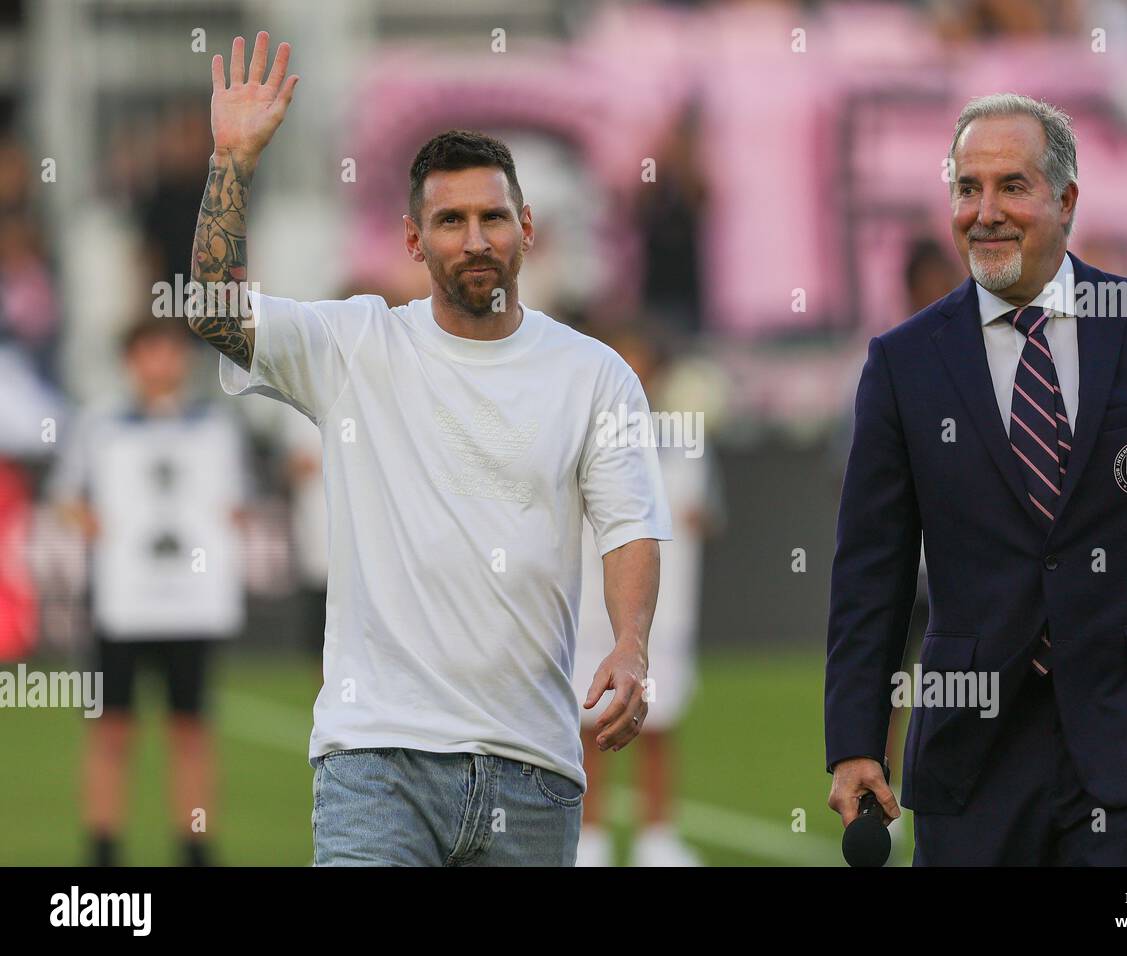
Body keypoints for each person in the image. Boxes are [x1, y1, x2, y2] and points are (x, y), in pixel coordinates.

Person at [189, 33, 671, 866]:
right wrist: (232, 157)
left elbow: (629, 522)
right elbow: (211, 311)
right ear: (414, 240)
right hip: (376, 762)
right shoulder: (353, 345)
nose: (474, 239)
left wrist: (630, 645)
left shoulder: (595, 375)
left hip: (532, 766)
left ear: (526, 228)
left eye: (492, 218)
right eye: (450, 221)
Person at [825, 93, 1127, 866]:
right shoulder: (902, 363)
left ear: (1066, 199)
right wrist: (854, 740)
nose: (985, 212)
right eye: (966, 188)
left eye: (1012, 186)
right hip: (971, 756)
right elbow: (869, 568)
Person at [48, 316, 249, 867]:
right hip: (123, 601)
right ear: (130, 361)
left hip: (191, 604)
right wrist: (96, 524)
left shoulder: (215, 427)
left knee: (191, 728)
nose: (160, 363)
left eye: (169, 352)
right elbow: (67, 497)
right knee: (112, 728)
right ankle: (104, 852)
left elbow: (237, 507)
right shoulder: (99, 426)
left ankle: (195, 848)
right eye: (148, 352)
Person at [571, 326, 724, 866]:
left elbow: (707, 514)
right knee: (590, 726)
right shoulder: (582, 432)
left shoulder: (684, 441)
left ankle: (656, 838)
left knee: (658, 724)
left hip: (667, 615)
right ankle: (585, 837)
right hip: (592, 609)